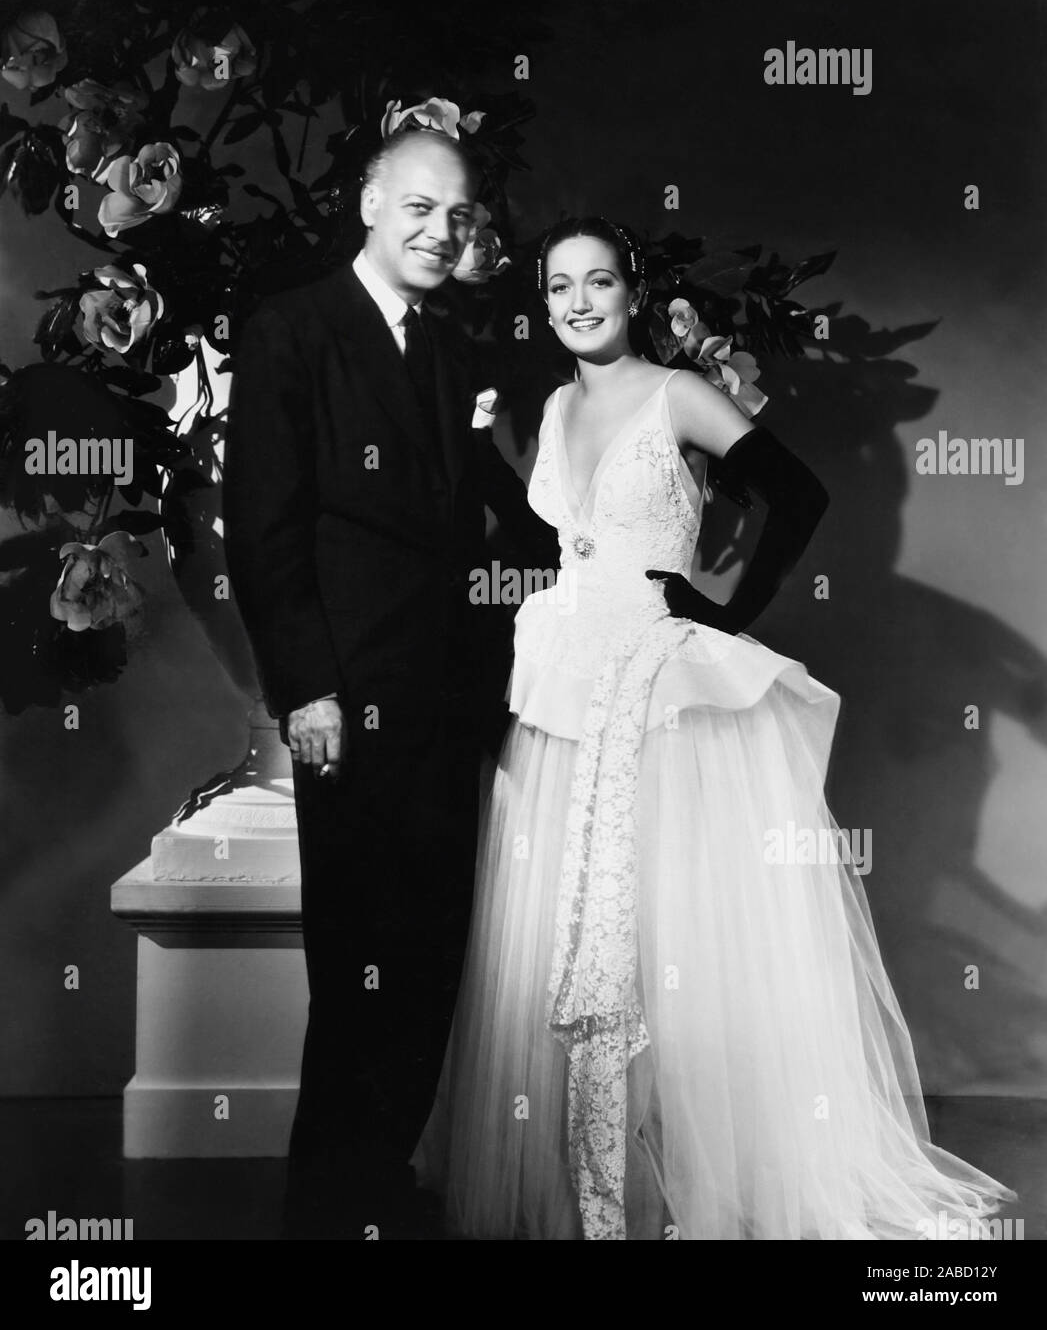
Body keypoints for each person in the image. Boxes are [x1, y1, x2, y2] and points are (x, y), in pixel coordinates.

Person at [412, 216, 1016, 1239]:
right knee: (561, 929)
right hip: (561, 685)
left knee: (669, 930)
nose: (579, 301)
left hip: (656, 682)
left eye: (599, 281)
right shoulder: (554, 407)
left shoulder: (678, 393)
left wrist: (729, 609)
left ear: (632, 293)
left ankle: (683, 1188)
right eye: (560, 285)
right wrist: (473, 456)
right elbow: (543, 541)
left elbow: (799, 490)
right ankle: (595, 1190)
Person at [222, 126, 559, 1238]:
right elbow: (262, 529)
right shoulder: (291, 331)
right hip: (346, 699)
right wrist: (305, 688)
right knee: (360, 949)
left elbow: (489, 506)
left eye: (458, 217)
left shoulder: (454, 350)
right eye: (418, 207)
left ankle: (380, 1179)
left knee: (431, 947)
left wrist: (595, 549)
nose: (439, 231)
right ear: (369, 201)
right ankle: (329, 1195)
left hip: (449, 688)